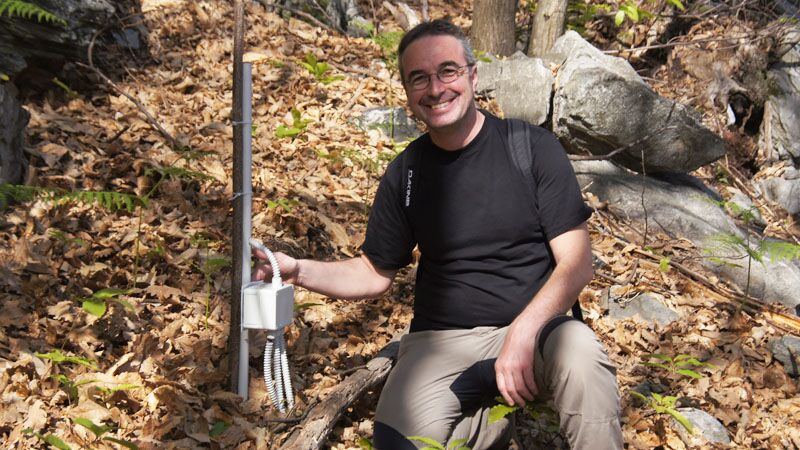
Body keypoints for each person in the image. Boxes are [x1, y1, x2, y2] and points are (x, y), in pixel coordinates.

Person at [255, 19, 622, 450]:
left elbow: (576, 264)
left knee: (581, 354)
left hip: (538, 334)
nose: (435, 88)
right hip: (440, 344)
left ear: (472, 75)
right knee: (399, 440)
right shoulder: (406, 173)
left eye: (447, 71)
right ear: (408, 93)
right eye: (419, 78)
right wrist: (296, 270)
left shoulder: (531, 148)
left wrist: (523, 332)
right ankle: (488, 422)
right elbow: (374, 272)